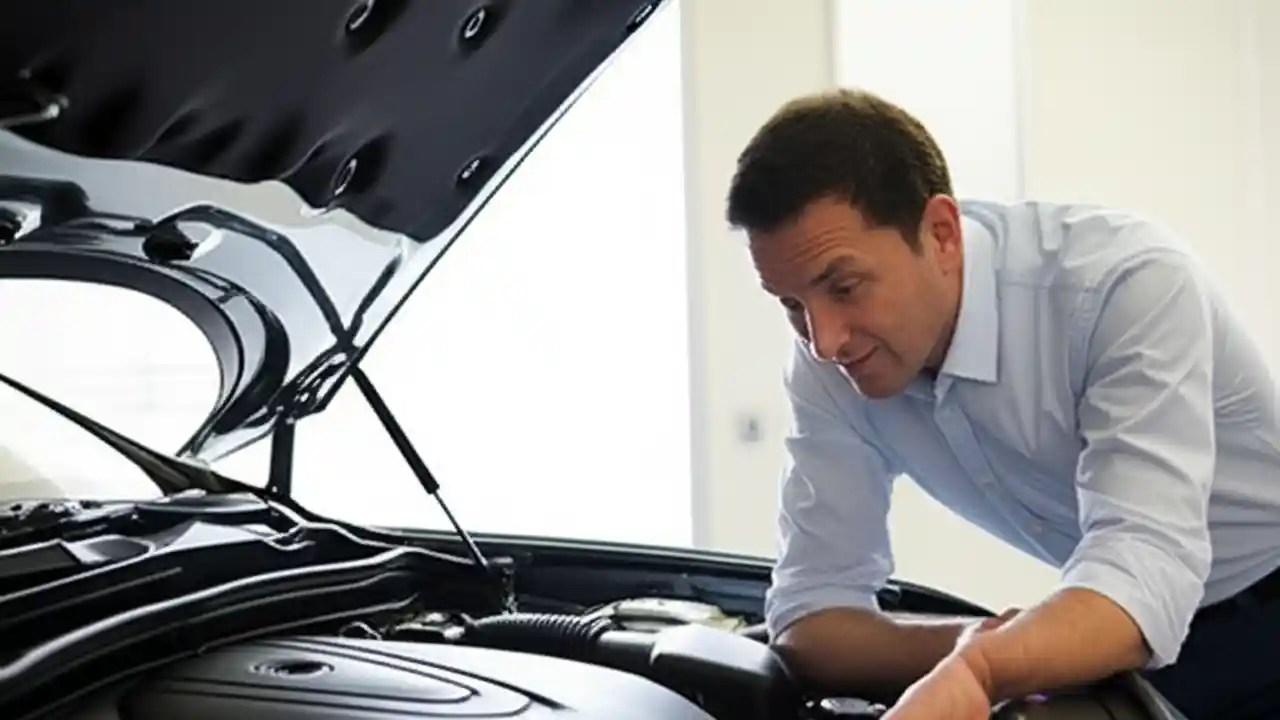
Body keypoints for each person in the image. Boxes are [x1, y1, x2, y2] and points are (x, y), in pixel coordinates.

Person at [725, 87, 1280, 720]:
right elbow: (809, 617)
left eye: (845, 287)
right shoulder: (831, 363)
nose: (824, 341)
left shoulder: (1123, 287)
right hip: (1120, 643)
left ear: (940, 234)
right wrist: (971, 645)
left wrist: (981, 669)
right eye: (791, 305)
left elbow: (1143, 576)